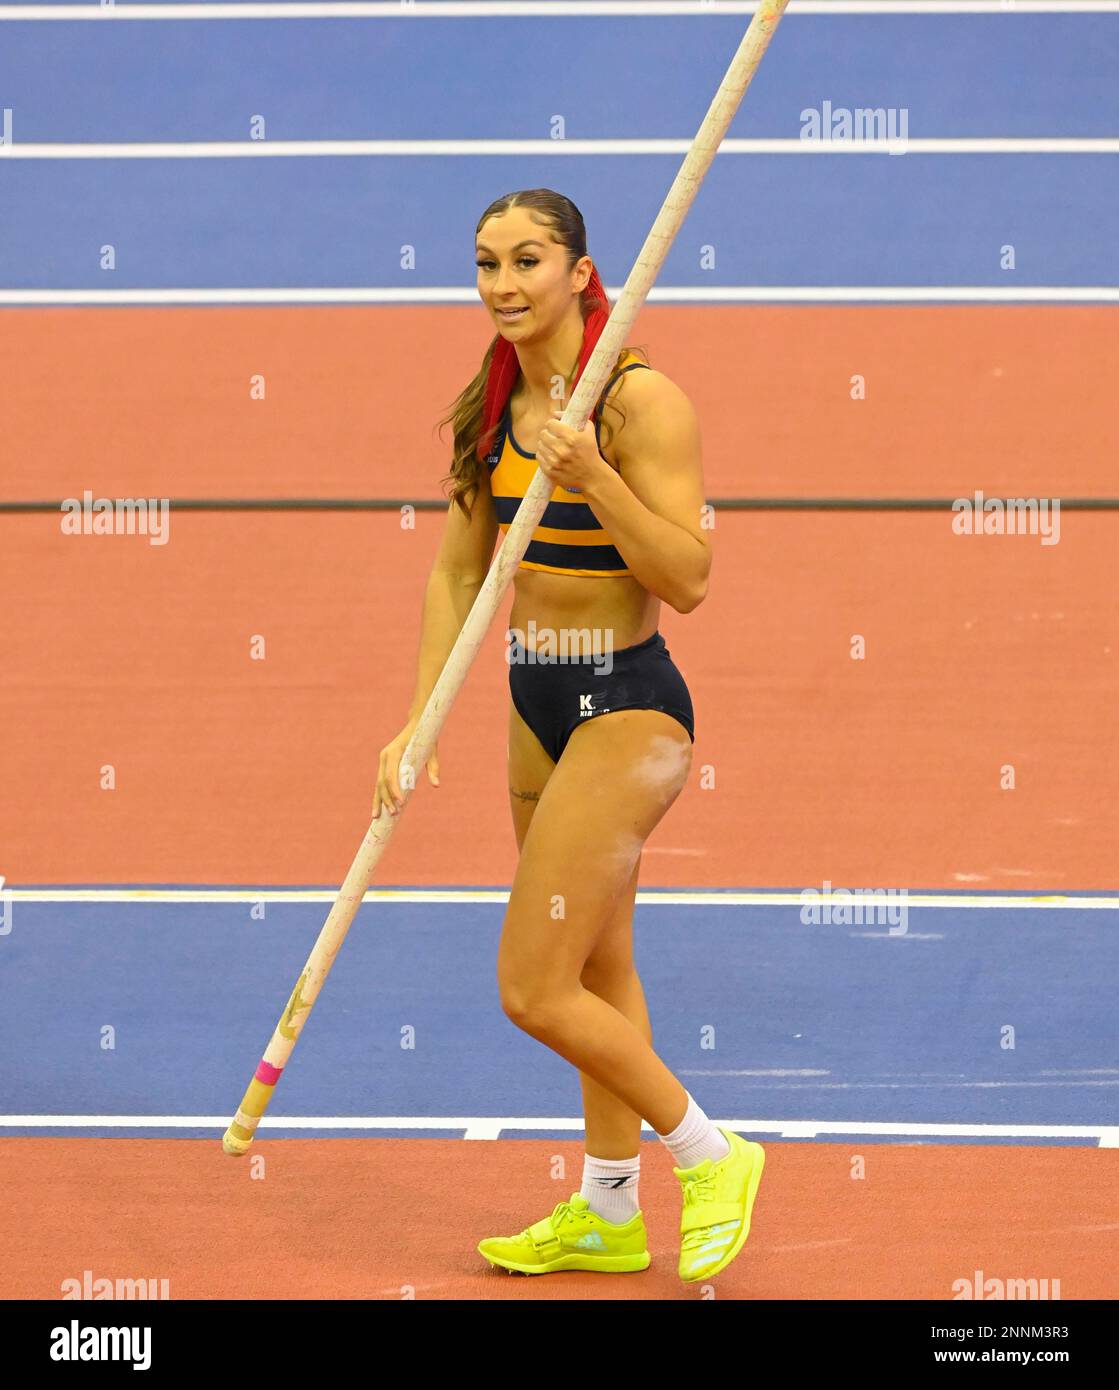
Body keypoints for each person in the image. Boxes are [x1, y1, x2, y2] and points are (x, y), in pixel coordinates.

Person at [373, 188, 764, 1282]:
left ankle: (712, 1151)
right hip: (532, 705)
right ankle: (608, 1209)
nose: (504, 283)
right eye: (487, 262)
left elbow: (687, 578)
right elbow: (459, 569)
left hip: (627, 710)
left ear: (582, 274)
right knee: (597, 964)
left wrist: (589, 470)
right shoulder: (486, 408)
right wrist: (420, 715)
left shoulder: (642, 404)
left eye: (529, 260)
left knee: (533, 986)